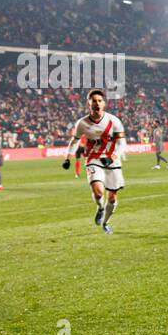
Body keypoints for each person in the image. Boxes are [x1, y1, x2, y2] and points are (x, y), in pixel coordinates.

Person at [61, 89, 125, 234]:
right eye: (94, 100)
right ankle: (100, 208)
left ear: (104, 103)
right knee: (98, 193)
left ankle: (106, 222)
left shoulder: (114, 121)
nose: (97, 103)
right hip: (93, 159)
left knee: (113, 198)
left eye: (99, 101)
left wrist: (113, 157)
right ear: (89, 103)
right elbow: (74, 141)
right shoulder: (82, 123)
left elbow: (122, 144)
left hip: (112, 161)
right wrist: (67, 158)